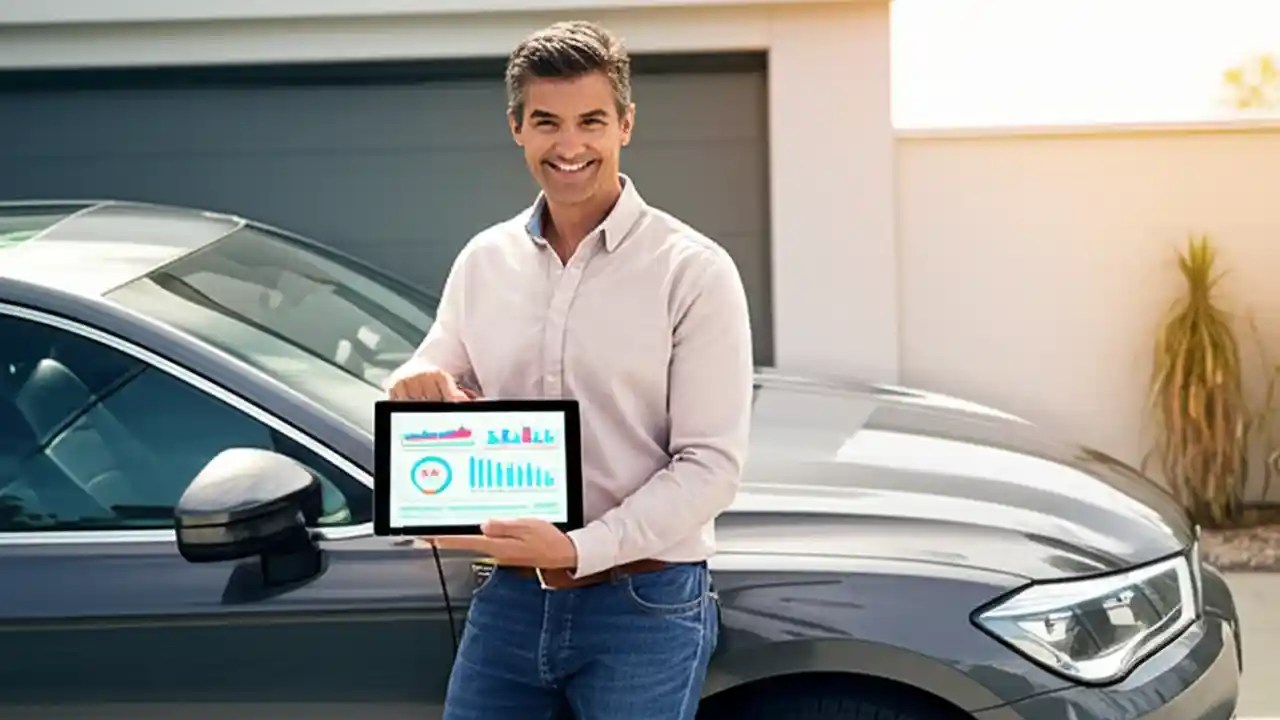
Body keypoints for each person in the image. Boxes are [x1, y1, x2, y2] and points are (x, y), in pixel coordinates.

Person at [384, 19, 754, 720]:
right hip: (509, 597)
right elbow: (439, 363)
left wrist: (579, 548)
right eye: (547, 122)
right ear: (517, 128)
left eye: (591, 121)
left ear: (626, 125)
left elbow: (711, 465)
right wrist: (416, 381)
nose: (571, 145)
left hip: (644, 605)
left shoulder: (692, 272)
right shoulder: (483, 261)